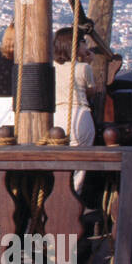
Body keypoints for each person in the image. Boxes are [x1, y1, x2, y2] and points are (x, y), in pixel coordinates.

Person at [53, 27, 96, 191]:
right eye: (83, 42)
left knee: (57, 164)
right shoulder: (83, 68)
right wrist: (88, 63)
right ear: (75, 45)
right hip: (79, 116)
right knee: (79, 167)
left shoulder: (52, 67)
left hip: (56, 119)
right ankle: (73, 200)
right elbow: (91, 91)